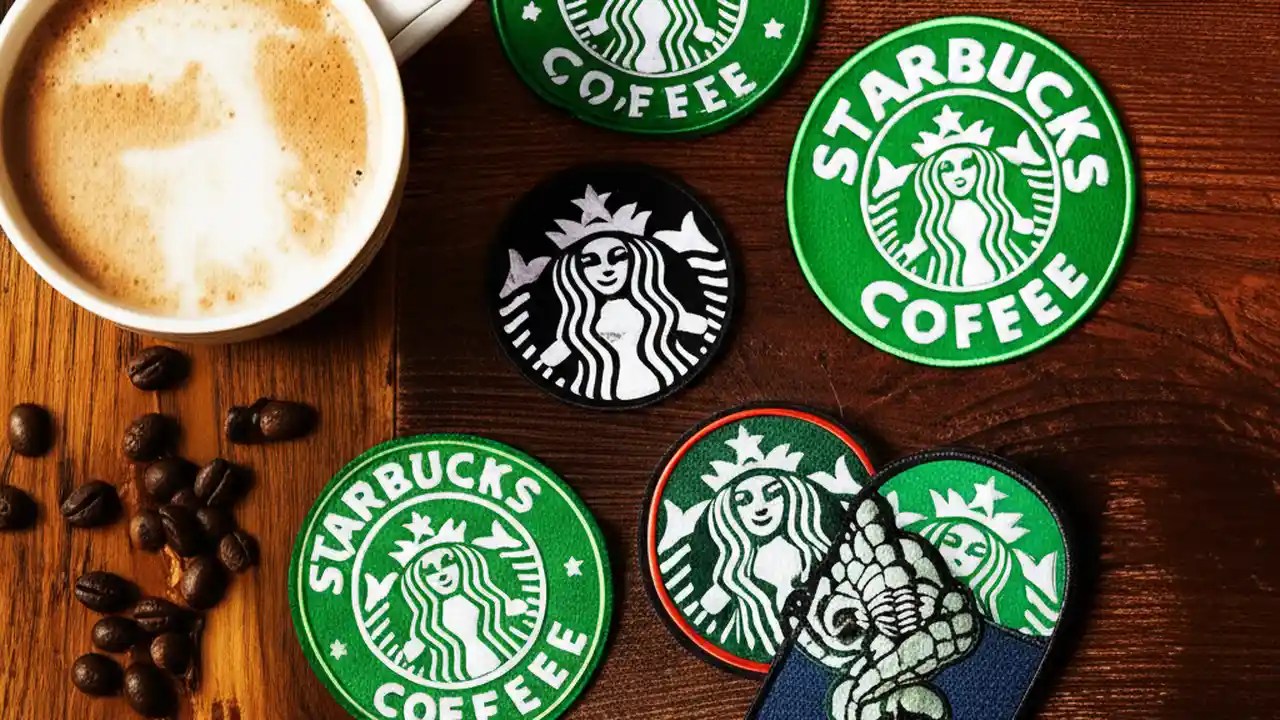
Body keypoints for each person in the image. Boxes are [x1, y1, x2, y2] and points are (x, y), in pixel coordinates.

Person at [539, 232, 708, 401]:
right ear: (578, 272)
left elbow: (700, 325)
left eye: (618, 258)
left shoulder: (659, 312)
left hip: (662, 382)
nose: (606, 269)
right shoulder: (580, 327)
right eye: (592, 262)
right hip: (604, 393)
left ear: (636, 261)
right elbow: (549, 359)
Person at [696, 471, 832, 654]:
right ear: (730, 512)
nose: (760, 508)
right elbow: (709, 607)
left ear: (792, 497)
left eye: (773, 494)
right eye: (744, 501)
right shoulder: (736, 570)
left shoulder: (810, 555)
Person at [899, 145, 1036, 289]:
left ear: (981, 168)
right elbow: (911, 251)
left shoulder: (996, 207)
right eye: (947, 169)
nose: (958, 175)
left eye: (966, 165)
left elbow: (1026, 228)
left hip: (1003, 275)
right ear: (935, 176)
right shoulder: (933, 220)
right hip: (953, 284)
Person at [400, 545, 526, 682]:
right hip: (459, 673)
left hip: (494, 657)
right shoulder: (429, 620)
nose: (442, 574)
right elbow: (413, 649)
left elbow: (513, 608)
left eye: (447, 563)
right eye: (430, 571)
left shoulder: (483, 599)